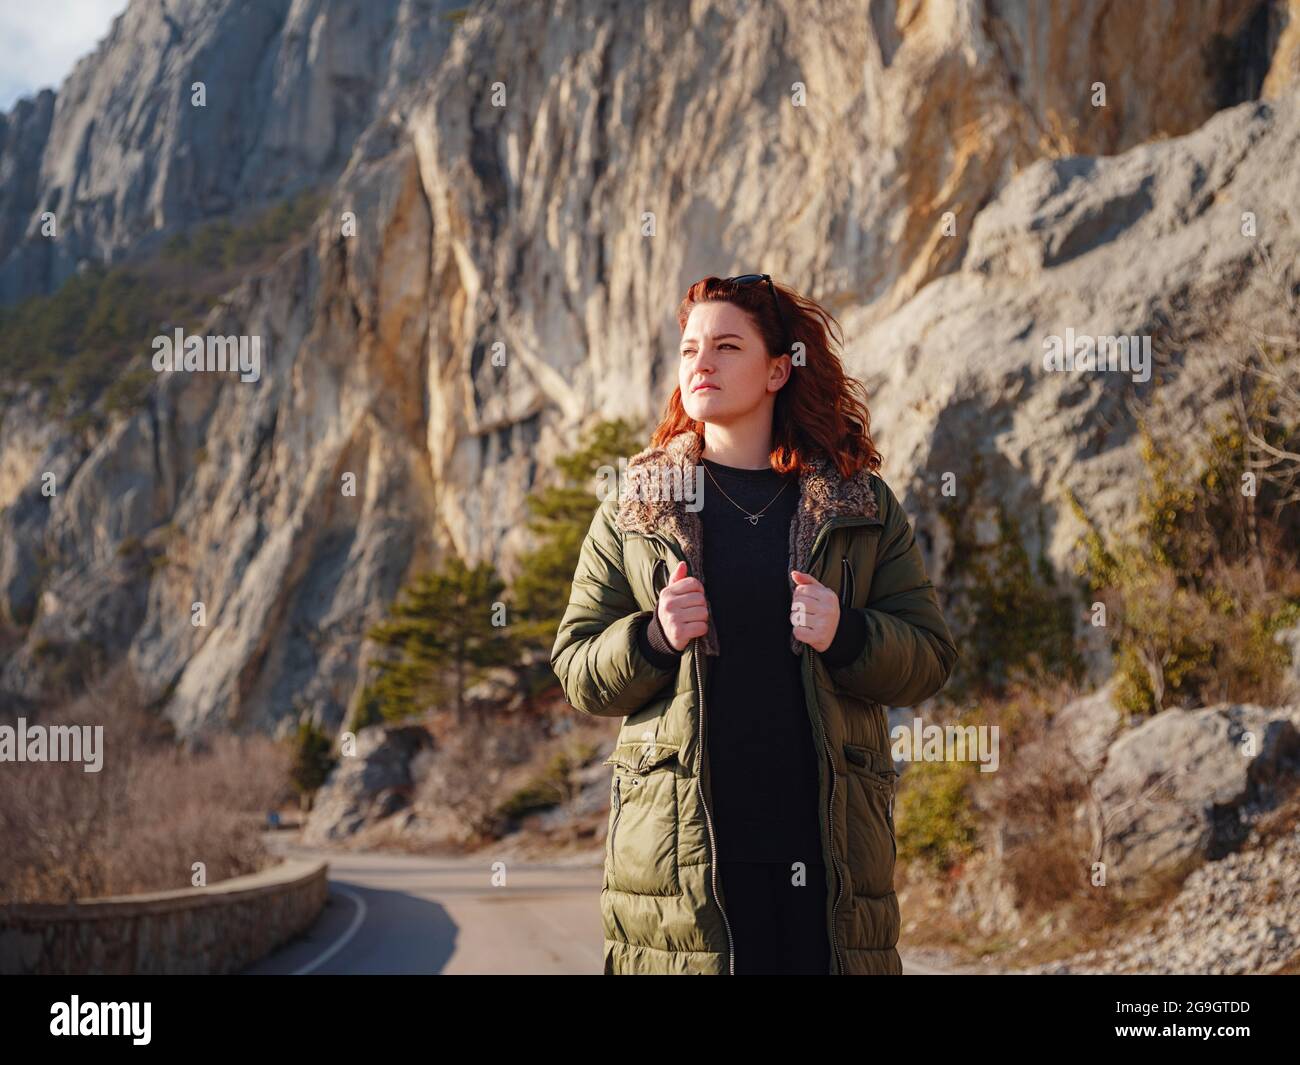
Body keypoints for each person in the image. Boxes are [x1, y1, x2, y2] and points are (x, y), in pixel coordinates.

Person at [551, 273, 958, 974]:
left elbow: (928, 657)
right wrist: (652, 637)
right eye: (689, 349)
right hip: (684, 863)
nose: (701, 363)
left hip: (828, 861)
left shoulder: (858, 504)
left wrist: (849, 633)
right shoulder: (639, 507)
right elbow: (577, 669)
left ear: (778, 368)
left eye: (726, 346)